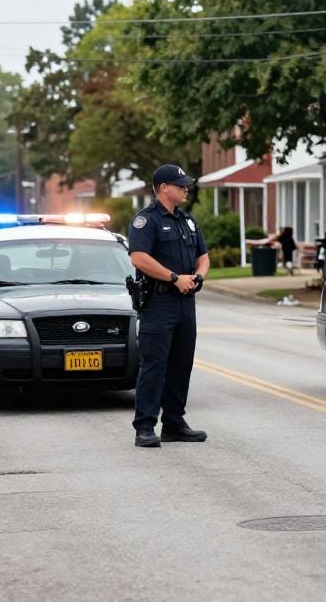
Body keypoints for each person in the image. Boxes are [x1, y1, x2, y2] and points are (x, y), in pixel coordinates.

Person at [127, 164, 211, 448]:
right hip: (159, 301)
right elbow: (138, 258)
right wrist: (174, 278)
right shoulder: (146, 221)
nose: (186, 188)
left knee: (181, 364)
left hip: (186, 302)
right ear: (164, 187)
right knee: (154, 364)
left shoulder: (187, 220)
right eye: (180, 185)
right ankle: (145, 427)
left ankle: (174, 422)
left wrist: (198, 276)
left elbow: (204, 256)